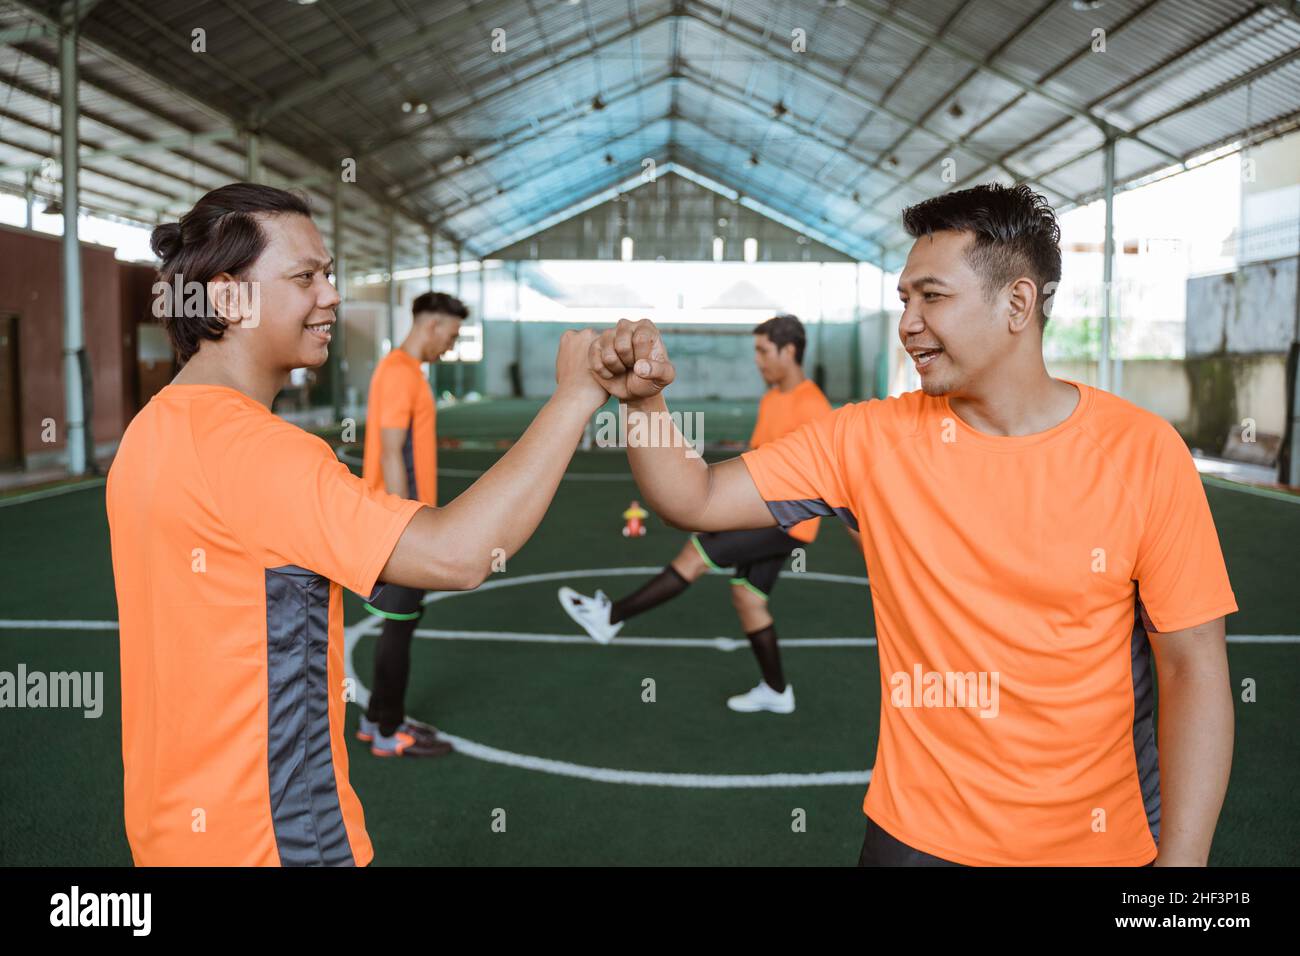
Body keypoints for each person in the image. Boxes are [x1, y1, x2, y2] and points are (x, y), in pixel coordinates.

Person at [583, 183, 1237, 867]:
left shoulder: (1143, 451)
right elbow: (694, 498)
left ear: (1017, 303)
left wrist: (1182, 873)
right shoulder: (867, 440)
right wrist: (646, 402)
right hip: (915, 840)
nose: (909, 322)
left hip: (1099, 846)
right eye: (904, 299)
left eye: (933, 296)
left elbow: (1193, 667)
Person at [106, 183, 607, 866]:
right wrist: (577, 396)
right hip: (273, 840)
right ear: (227, 298)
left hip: (169, 835)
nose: (332, 295)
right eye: (305, 277)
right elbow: (459, 555)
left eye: (330, 273)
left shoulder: (149, 432)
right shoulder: (263, 454)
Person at [557, 314, 836, 714]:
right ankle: (777, 691)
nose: (757, 360)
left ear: (789, 350)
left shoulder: (813, 406)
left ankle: (611, 616)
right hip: (765, 511)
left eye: (762, 351)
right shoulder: (773, 397)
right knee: (748, 598)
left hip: (786, 521)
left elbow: (833, 481)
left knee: (696, 554)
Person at [356, 292, 467, 758]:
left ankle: (374, 718)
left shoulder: (403, 371)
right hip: (398, 525)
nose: (451, 345)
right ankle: (388, 731)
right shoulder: (401, 373)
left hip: (398, 522)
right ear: (433, 325)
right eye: (453, 335)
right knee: (398, 626)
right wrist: (407, 527)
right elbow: (390, 451)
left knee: (402, 622)